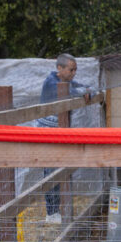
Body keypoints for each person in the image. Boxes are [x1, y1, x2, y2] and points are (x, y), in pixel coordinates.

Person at [39, 53, 94, 224]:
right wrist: (83, 91)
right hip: (47, 133)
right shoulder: (51, 83)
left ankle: (60, 210)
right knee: (50, 172)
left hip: (60, 132)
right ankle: (51, 213)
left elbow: (86, 87)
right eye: (71, 69)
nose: (74, 73)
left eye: (75, 70)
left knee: (62, 170)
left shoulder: (66, 82)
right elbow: (71, 92)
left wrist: (87, 90)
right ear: (59, 68)